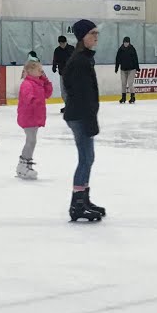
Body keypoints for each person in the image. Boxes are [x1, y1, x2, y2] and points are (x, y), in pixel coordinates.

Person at [61, 19, 105, 222]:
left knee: (88, 158)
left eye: (96, 33)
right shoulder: (80, 61)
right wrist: (90, 119)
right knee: (85, 159)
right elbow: (81, 93)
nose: (96, 37)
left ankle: (84, 199)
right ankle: (77, 204)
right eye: (92, 33)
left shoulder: (84, 58)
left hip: (81, 114)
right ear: (82, 37)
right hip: (80, 115)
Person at [16, 56, 52, 180]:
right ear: (30, 71)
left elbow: (48, 94)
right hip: (28, 116)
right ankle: (23, 165)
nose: (41, 71)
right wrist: (34, 101)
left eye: (42, 70)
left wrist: (46, 81)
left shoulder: (39, 83)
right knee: (31, 140)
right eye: (39, 70)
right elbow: (28, 97)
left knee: (32, 141)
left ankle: (26, 165)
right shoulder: (27, 83)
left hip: (35, 116)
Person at [114, 36, 140, 104]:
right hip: (123, 69)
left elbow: (135, 59)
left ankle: (132, 97)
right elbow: (117, 59)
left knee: (130, 83)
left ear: (129, 43)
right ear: (123, 42)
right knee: (123, 83)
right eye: (125, 42)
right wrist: (116, 68)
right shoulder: (120, 49)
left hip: (132, 69)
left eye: (127, 42)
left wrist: (137, 68)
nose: (126, 44)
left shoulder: (132, 49)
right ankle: (123, 98)